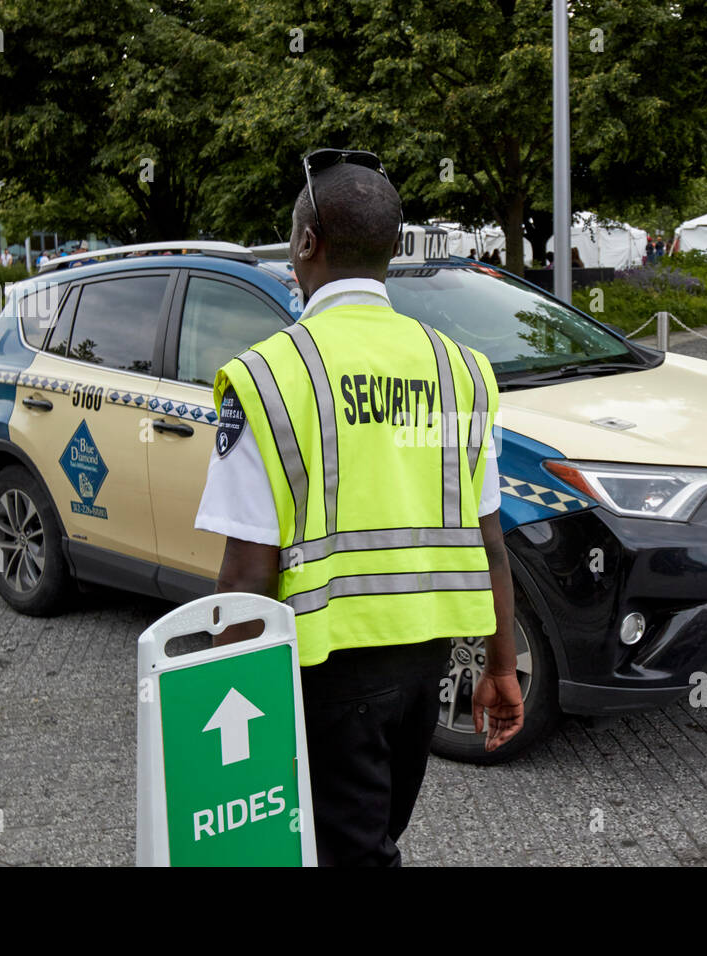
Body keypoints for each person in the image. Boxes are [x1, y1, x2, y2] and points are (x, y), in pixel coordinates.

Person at [194, 150, 523, 866]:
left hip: (326, 670)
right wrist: (502, 662)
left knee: (347, 851)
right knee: (375, 836)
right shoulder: (459, 370)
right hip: (424, 668)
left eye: (290, 238)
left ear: (306, 243)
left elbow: (248, 570)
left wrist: (227, 717)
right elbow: (490, 538)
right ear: (393, 250)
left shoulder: (270, 376)